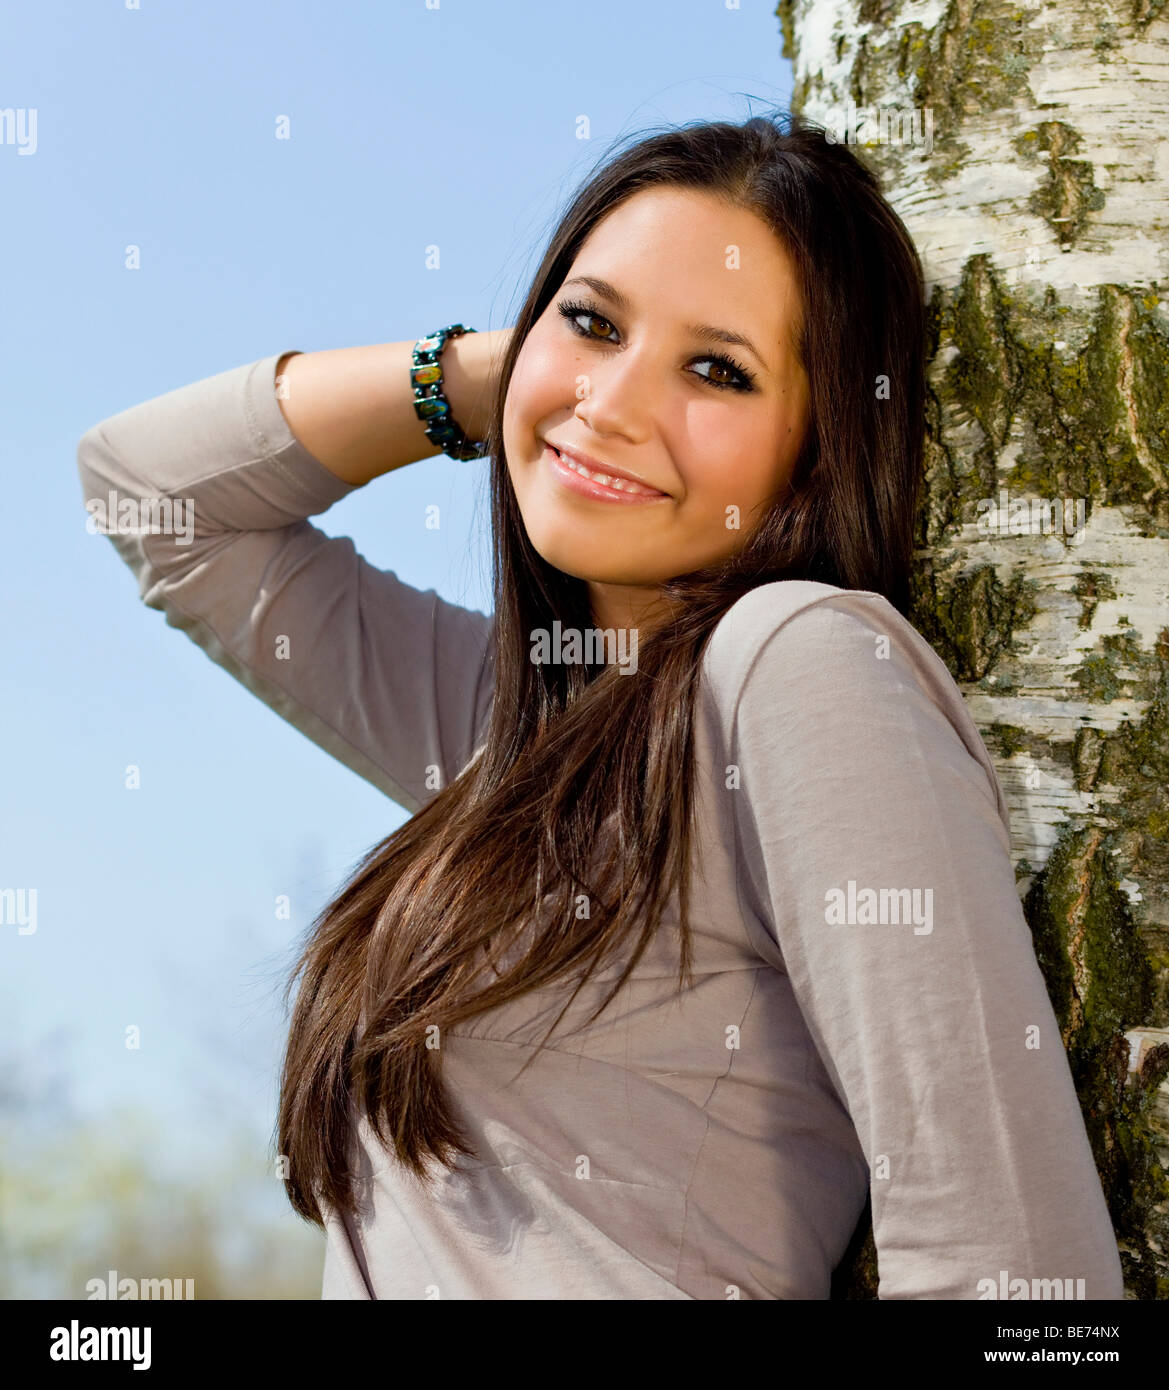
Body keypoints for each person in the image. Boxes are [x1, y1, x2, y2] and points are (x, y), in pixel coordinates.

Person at [75, 111, 1124, 1300]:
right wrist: (499, 381)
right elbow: (150, 494)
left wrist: (563, 380)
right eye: (591, 321)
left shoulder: (795, 668)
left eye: (717, 370)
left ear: (816, 448)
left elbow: (1020, 1278)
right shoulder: (502, 731)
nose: (617, 403)